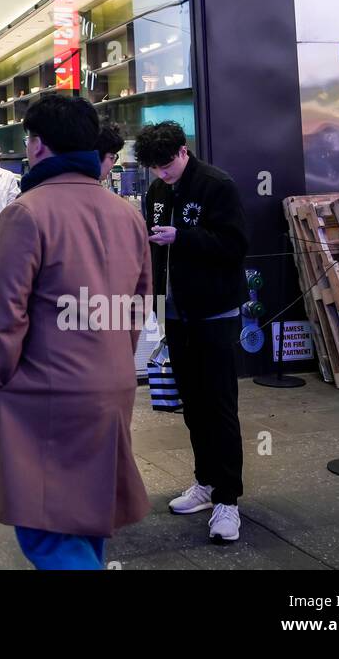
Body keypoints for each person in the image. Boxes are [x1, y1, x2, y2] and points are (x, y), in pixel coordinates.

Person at [0, 94, 151, 570]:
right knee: (88, 512)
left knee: (46, 528)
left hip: (43, 391)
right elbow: (138, 306)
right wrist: (116, 357)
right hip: (111, 383)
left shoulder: (26, 212)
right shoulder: (126, 213)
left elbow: (5, 311)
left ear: (37, 146)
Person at [136, 120, 248, 544]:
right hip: (175, 313)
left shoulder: (218, 185)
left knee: (219, 406)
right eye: (154, 168)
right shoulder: (158, 192)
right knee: (193, 405)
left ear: (184, 151)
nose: (161, 174)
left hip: (215, 312)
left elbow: (235, 245)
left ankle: (228, 500)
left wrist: (182, 237)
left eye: (166, 165)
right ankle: (204, 482)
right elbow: (155, 248)